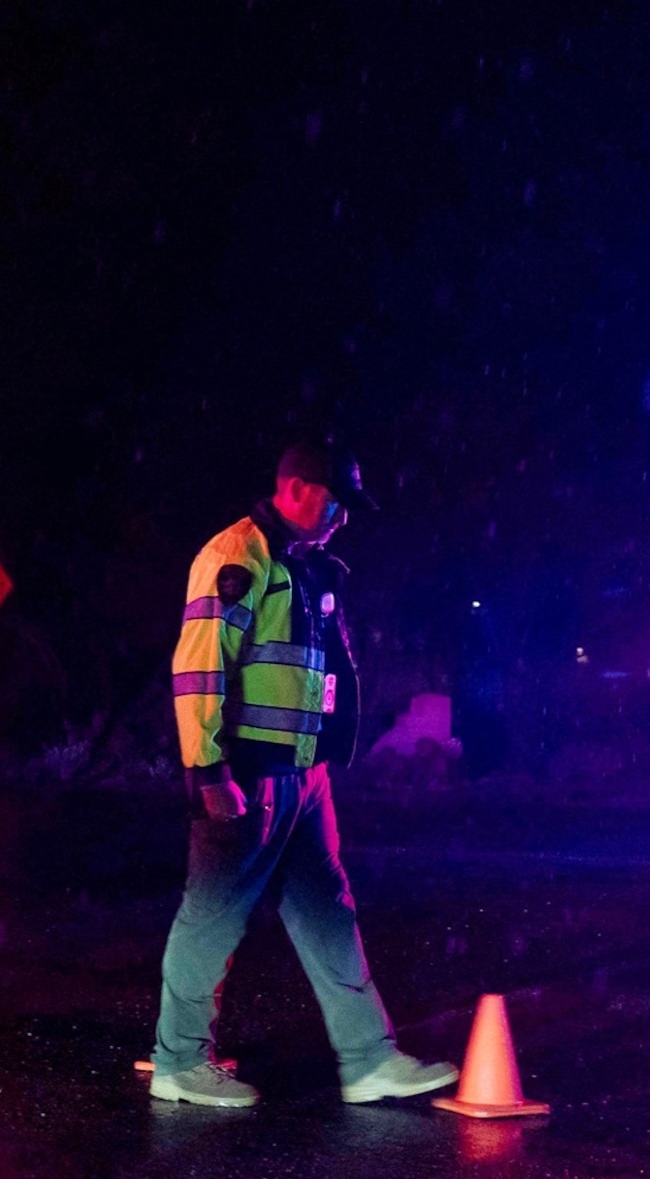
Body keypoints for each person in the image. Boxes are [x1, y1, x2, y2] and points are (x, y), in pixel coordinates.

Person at [146, 441, 458, 1109]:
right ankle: (177, 1064)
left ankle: (369, 1060)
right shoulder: (237, 557)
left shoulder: (302, 565)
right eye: (336, 499)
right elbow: (199, 667)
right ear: (294, 488)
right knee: (212, 919)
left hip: (301, 777)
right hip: (250, 774)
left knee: (328, 915)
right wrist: (207, 771)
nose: (344, 515)